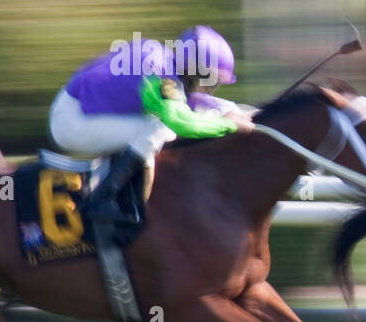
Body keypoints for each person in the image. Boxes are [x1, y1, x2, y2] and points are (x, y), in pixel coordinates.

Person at [48, 35, 254, 224]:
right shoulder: (160, 74)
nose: (212, 89)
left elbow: (191, 101)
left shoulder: (167, 63)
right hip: (71, 122)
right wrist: (230, 125)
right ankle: (104, 199)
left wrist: (235, 111)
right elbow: (181, 121)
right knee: (160, 127)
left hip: (82, 110)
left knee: (156, 124)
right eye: (212, 82)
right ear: (195, 71)